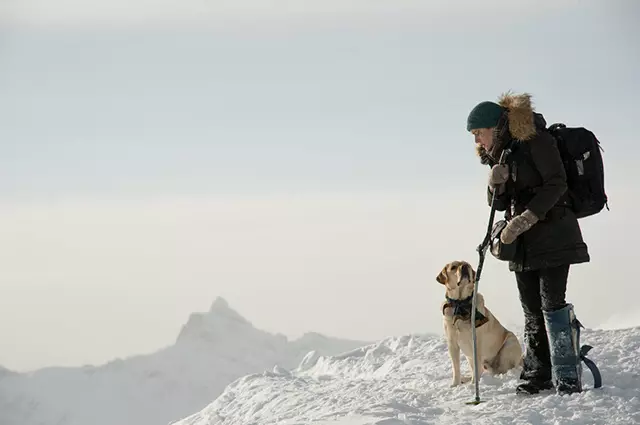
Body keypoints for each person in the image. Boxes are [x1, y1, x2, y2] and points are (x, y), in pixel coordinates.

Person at [466, 92, 590, 395]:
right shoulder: (504, 153)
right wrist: (494, 184)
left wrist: (525, 219)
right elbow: (501, 203)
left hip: (554, 235)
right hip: (523, 244)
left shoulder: (535, 140)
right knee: (532, 309)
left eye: (479, 134)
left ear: (494, 127)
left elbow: (557, 183)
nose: (478, 142)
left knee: (551, 305)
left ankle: (567, 374)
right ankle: (538, 374)